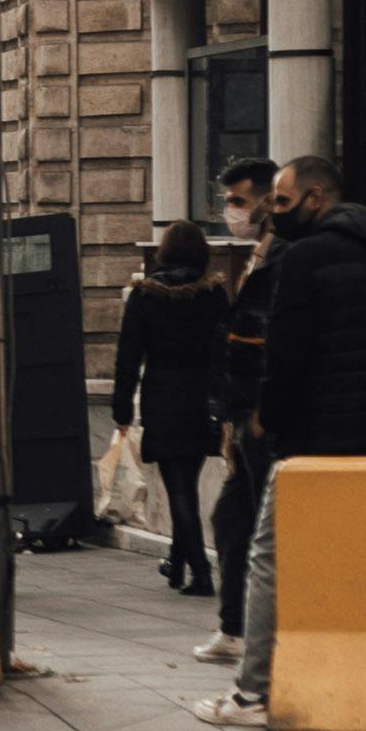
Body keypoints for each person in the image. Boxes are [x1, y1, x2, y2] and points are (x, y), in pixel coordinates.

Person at [196, 152, 366, 731]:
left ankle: (254, 692)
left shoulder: (304, 256)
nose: (275, 212)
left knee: (269, 554)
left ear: (317, 200)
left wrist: (267, 420)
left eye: (284, 202)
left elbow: (286, 354)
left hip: (319, 435)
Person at [110, 218, 225, 598]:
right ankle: (177, 565)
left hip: (162, 395)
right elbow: (224, 351)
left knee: (179, 489)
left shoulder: (145, 296)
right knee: (186, 482)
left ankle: (202, 573)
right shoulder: (213, 295)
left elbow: (128, 356)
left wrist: (122, 408)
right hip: (200, 398)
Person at [199, 162, 276, 667]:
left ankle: (252, 639)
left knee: (254, 526)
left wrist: (255, 411)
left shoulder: (282, 257)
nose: (232, 212)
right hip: (245, 413)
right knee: (232, 518)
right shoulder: (260, 254)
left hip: (261, 416)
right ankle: (235, 629)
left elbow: (267, 342)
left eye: (240, 201)